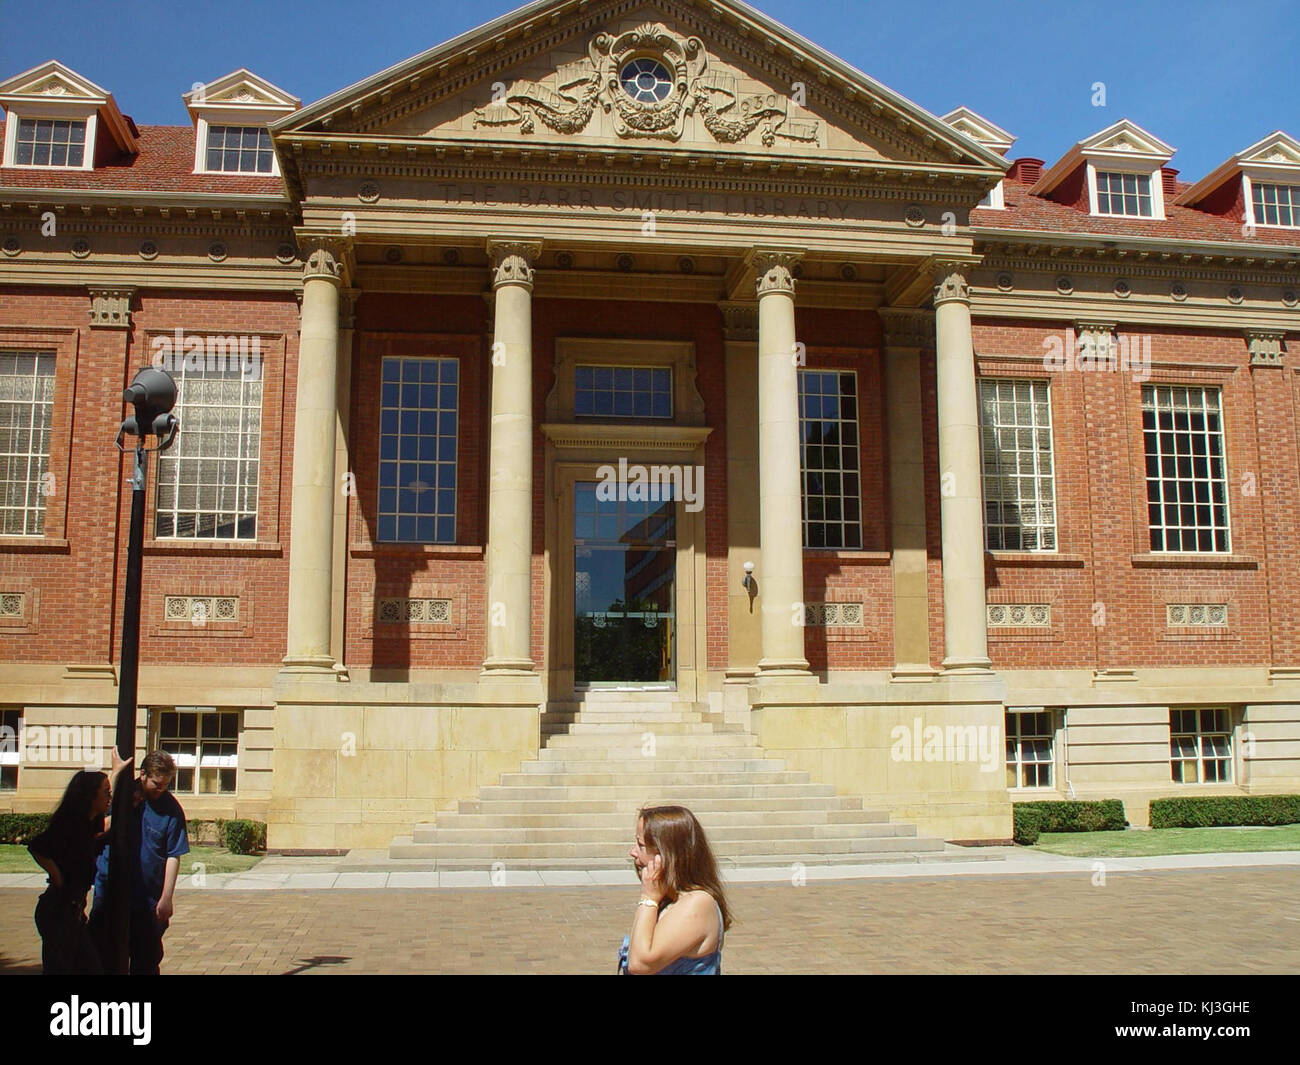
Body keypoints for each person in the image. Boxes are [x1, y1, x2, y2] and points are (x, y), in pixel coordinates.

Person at [89, 750, 189, 975]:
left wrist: (166, 898)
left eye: (165, 784)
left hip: (147, 900)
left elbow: (173, 854)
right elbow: (96, 826)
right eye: (156, 784)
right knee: (102, 956)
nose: (161, 789)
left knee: (146, 961)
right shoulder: (121, 794)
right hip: (110, 891)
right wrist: (124, 805)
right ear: (143, 774)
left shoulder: (171, 809)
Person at [27, 760, 126, 975]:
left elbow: (109, 822)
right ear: (90, 796)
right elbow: (37, 847)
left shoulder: (87, 822)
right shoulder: (69, 823)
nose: (109, 797)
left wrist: (116, 773)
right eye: (106, 793)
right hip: (58, 912)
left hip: (72, 912)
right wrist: (56, 875)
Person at [618, 805, 733, 975]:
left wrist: (648, 898)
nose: (633, 852)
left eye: (641, 845)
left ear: (666, 854)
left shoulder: (697, 903)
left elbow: (640, 964)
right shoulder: (667, 899)